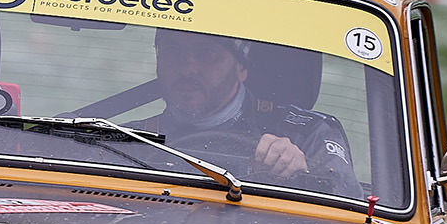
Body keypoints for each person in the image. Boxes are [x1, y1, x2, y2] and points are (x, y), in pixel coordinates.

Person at [153, 30, 359, 195]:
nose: (187, 69)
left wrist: (304, 174)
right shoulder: (129, 137)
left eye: (208, 54)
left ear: (241, 68)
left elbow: (351, 217)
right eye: (173, 51)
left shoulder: (308, 134)